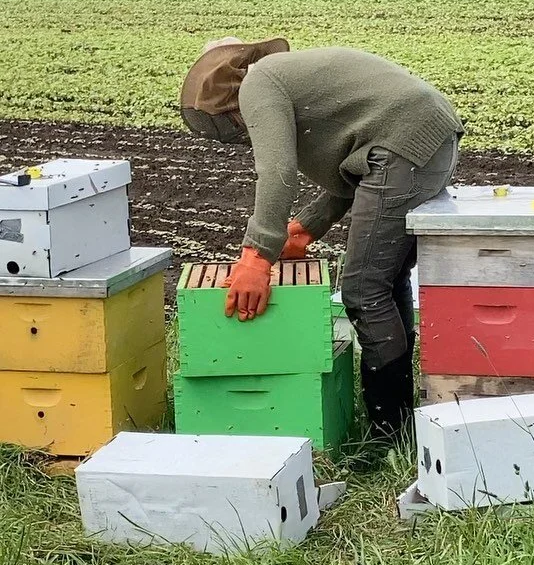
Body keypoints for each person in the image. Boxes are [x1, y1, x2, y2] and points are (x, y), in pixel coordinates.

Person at [180, 38, 462, 440]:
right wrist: (306, 228)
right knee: (385, 279)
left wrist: (257, 258)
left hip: (405, 145)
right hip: (424, 137)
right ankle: (402, 424)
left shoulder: (258, 83)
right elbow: (355, 167)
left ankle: (389, 432)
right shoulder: (292, 78)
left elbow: (278, 172)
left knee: (364, 291)